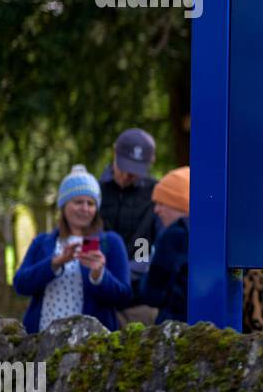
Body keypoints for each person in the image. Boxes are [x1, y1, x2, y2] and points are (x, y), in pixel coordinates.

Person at [13, 164, 131, 334]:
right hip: (42, 338)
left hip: (91, 344)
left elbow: (123, 297)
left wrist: (100, 275)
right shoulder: (43, 242)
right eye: (78, 202)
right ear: (64, 205)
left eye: (90, 203)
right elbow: (21, 285)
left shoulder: (110, 243)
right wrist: (54, 263)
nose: (85, 209)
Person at [99, 127, 161, 318]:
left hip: (139, 296)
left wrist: (140, 265)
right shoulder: (94, 190)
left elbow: (161, 238)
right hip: (100, 286)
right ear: (114, 152)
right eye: (123, 168)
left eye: (134, 172)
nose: (127, 176)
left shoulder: (155, 193)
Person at [140, 167, 189, 324]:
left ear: (179, 204)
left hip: (174, 329)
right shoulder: (211, 234)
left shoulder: (173, 236)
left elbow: (151, 294)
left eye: (162, 203)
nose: (156, 210)